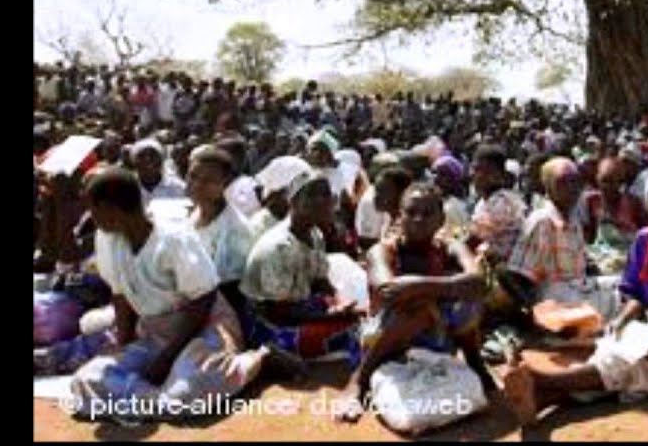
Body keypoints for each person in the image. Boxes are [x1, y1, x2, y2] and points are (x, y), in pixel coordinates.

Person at [502, 169, 648, 424]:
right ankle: (540, 399)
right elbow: (638, 294)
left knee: (635, 366)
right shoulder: (645, 240)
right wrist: (623, 320)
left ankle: (539, 380)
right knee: (613, 354)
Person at [68, 168, 264, 421]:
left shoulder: (173, 238)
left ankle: (257, 360)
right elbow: (120, 295)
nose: (90, 217)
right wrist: (125, 347)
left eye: (93, 209)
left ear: (110, 209)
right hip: (154, 334)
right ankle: (159, 401)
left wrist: (167, 357)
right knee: (87, 379)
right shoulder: (108, 239)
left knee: (187, 391)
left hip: (204, 329)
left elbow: (203, 299)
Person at [335, 183, 493, 422]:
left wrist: (417, 285)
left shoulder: (449, 246)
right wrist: (447, 286)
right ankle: (359, 379)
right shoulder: (382, 251)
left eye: (428, 213)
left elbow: (478, 282)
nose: (419, 219)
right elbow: (388, 290)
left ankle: (476, 363)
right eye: (411, 212)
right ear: (400, 216)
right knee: (418, 309)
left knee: (471, 303)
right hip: (385, 337)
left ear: (441, 219)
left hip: (435, 336)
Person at [240, 167, 361, 377]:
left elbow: (320, 280)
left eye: (326, 195)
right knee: (348, 333)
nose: (322, 201)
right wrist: (327, 317)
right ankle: (270, 354)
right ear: (293, 201)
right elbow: (277, 312)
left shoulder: (314, 234)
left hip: (296, 304)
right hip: (266, 321)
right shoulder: (278, 246)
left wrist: (338, 303)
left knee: (358, 319)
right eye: (312, 195)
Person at [505, 158, 618, 319]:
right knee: (618, 302)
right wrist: (534, 316)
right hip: (556, 298)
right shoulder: (542, 221)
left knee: (626, 287)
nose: (572, 188)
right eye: (563, 182)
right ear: (549, 188)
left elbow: (582, 264)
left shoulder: (573, 218)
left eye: (575, 181)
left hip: (578, 288)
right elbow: (518, 276)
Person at [186, 147, 255, 319]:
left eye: (208, 180)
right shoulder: (194, 215)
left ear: (225, 182)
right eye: (193, 176)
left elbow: (228, 291)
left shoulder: (235, 231)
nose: (197, 185)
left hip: (220, 314)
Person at [469, 144, 527, 264]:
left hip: (505, 269)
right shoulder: (484, 201)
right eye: (476, 169)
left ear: (500, 175)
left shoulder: (501, 202)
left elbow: (474, 238)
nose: (479, 175)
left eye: (487, 171)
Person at [130, 139, 186, 210]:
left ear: (161, 160)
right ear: (134, 162)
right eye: (141, 155)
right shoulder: (126, 187)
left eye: (152, 155)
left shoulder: (178, 187)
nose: (147, 159)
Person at [431, 154, 472, 238]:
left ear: (453, 179)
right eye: (434, 173)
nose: (436, 178)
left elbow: (458, 236)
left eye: (442, 174)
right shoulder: (440, 202)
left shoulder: (452, 207)